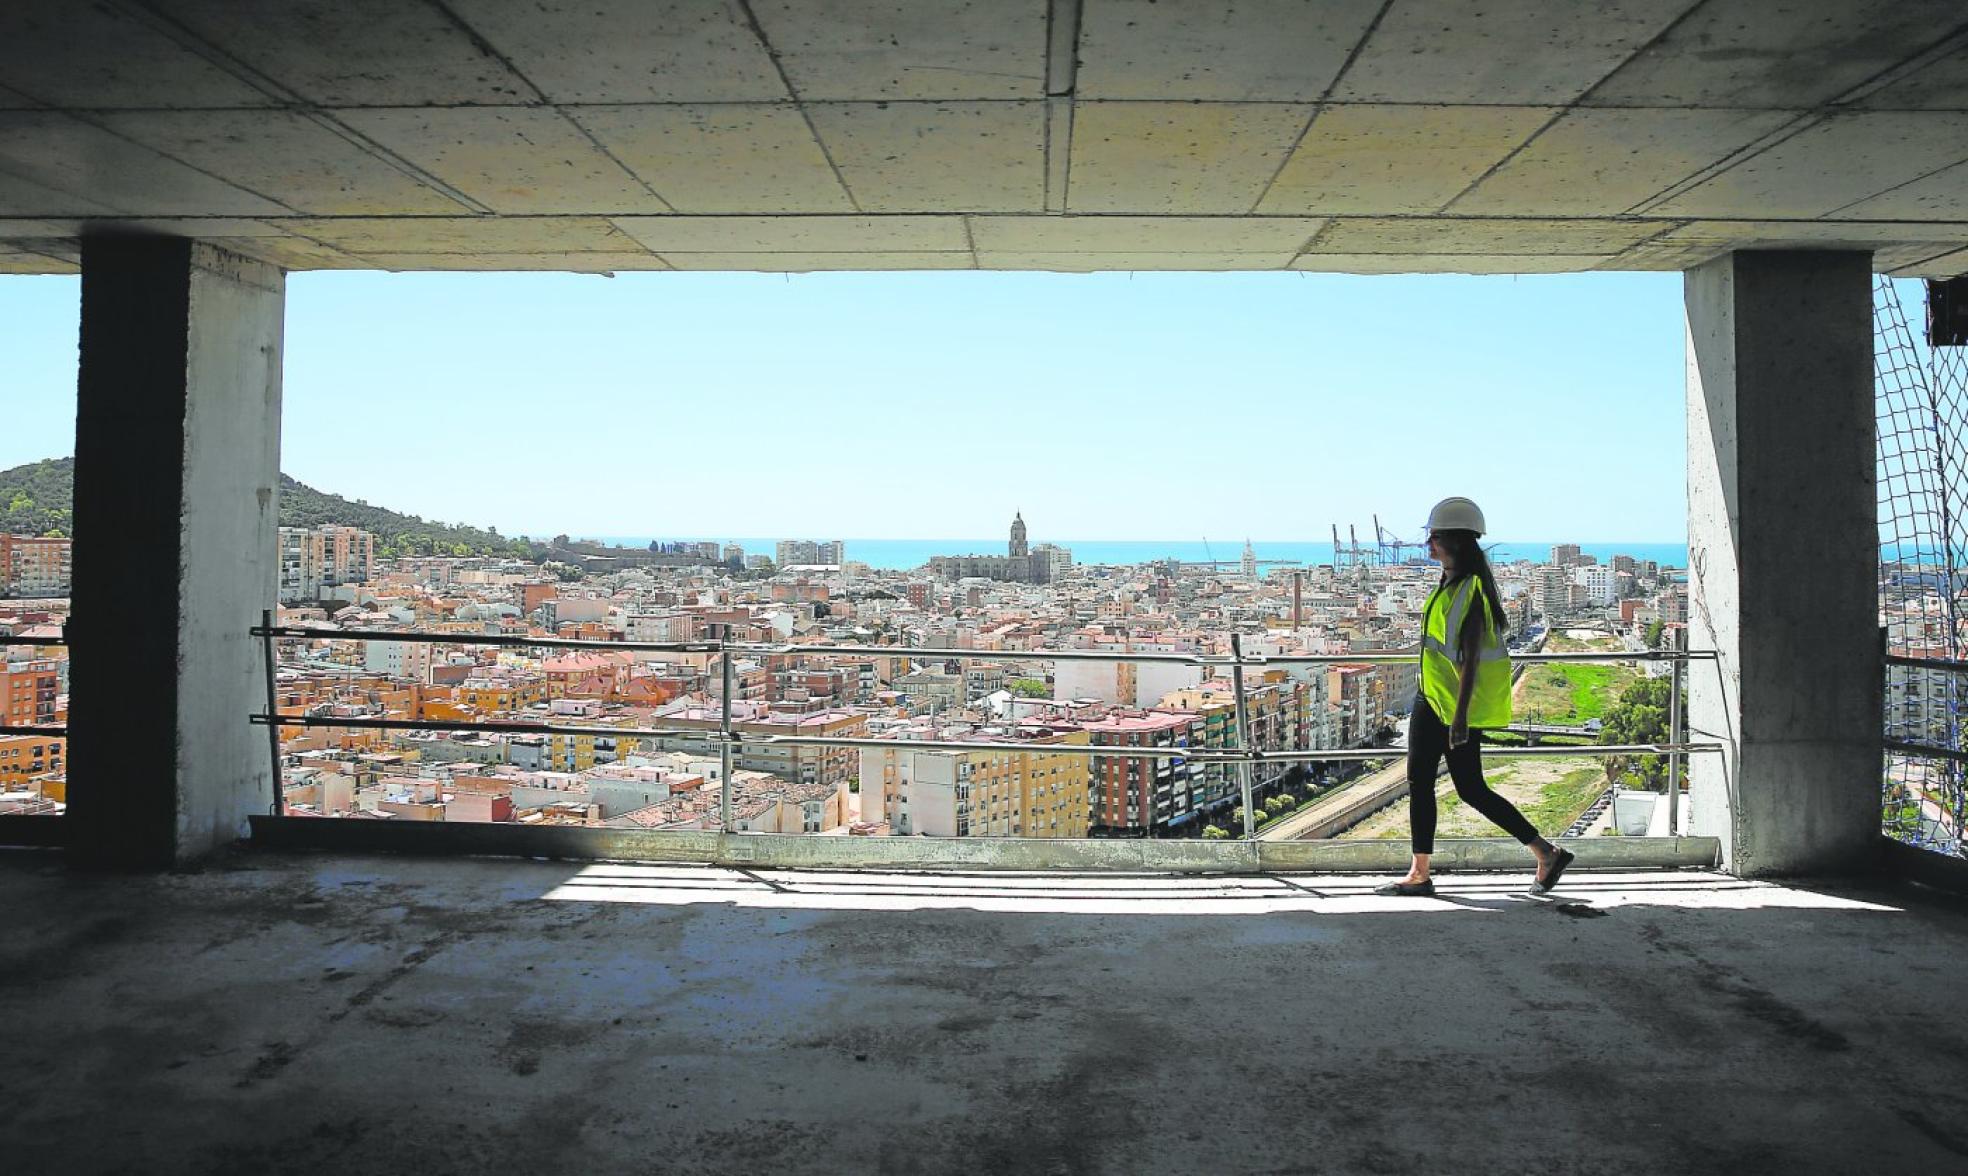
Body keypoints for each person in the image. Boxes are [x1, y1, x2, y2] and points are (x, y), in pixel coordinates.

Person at [1376, 497, 1575, 897]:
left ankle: (1545, 851)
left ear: (1454, 542)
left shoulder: (1471, 592)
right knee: (1423, 784)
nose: (1428, 545)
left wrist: (1462, 718)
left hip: (1450, 708)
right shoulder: (1451, 584)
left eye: (1434, 538)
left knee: (1469, 789)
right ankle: (1420, 872)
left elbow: (1469, 662)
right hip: (1431, 698)